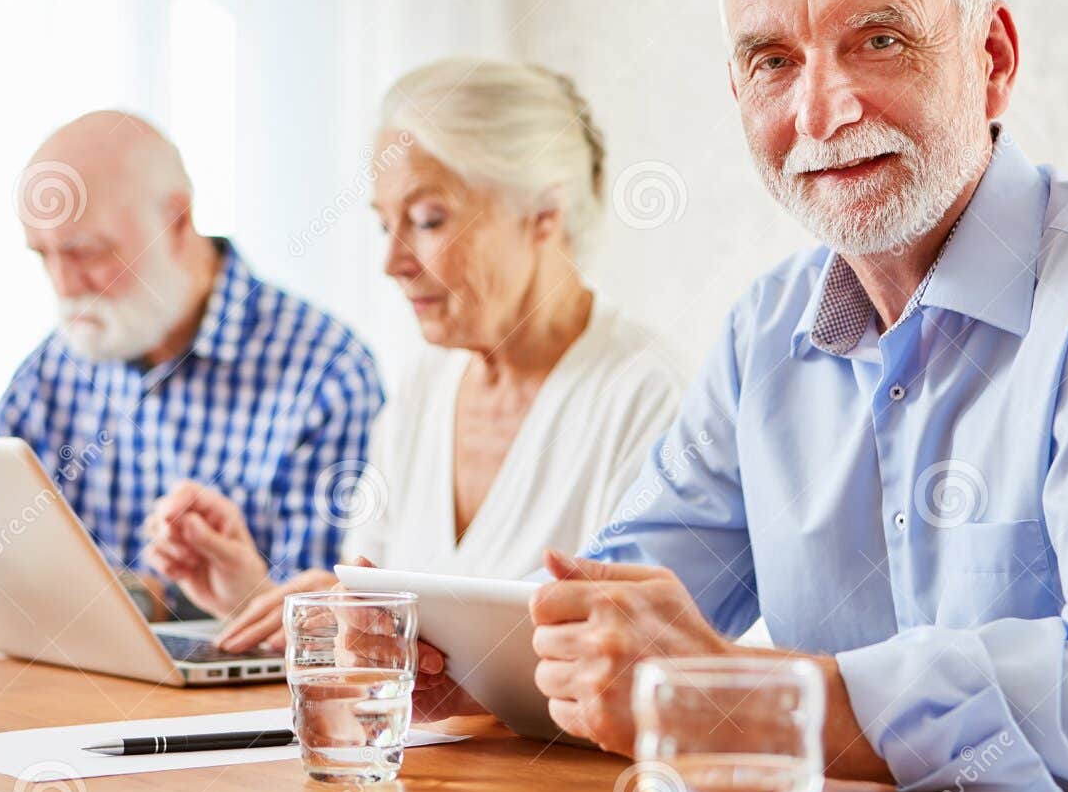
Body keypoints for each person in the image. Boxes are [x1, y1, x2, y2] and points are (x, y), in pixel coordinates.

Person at [461, 0, 1068, 792]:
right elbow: (614, 620)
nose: (824, 111)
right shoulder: (764, 334)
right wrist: (435, 642)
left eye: (881, 41)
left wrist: (749, 699)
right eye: (775, 62)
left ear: (992, 58)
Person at [144, 59, 683, 656]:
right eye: (384, 226)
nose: (393, 262)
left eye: (428, 220)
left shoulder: (645, 394)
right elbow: (379, 641)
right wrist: (259, 599)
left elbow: (623, 660)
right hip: (417, 751)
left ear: (543, 215)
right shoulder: (425, 384)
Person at [0, 110, 384, 616]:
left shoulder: (326, 372)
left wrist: (163, 603)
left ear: (177, 220)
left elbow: (319, 613)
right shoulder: (65, 357)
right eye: (42, 256)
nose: (64, 285)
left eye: (86, 251)